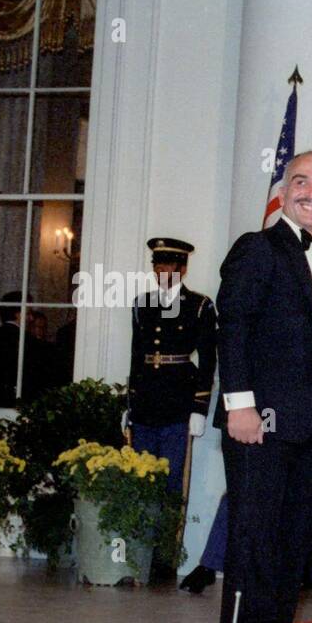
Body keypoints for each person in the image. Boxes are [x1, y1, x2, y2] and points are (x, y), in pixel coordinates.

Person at [214, 150, 312, 623]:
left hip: (310, 425)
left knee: (297, 532)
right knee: (255, 531)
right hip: (259, 422)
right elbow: (234, 326)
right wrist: (240, 406)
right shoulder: (257, 249)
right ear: (284, 190)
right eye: (302, 182)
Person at [181, 289, 312, 598]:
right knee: (248, 490)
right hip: (264, 406)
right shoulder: (272, 282)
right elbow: (237, 343)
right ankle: (211, 562)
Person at [125, 237, 217, 574]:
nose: (161, 271)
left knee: (171, 481)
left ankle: (165, 555)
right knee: (141, 479)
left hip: (179, 402)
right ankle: (139, 551)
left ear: (182, 269)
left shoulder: (199, 306)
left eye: (168, 266)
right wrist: (129, 401)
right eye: (157, 265)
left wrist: (199, 407)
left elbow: (208, 361)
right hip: (146, 401)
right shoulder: (141, 305)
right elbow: (136, 357)